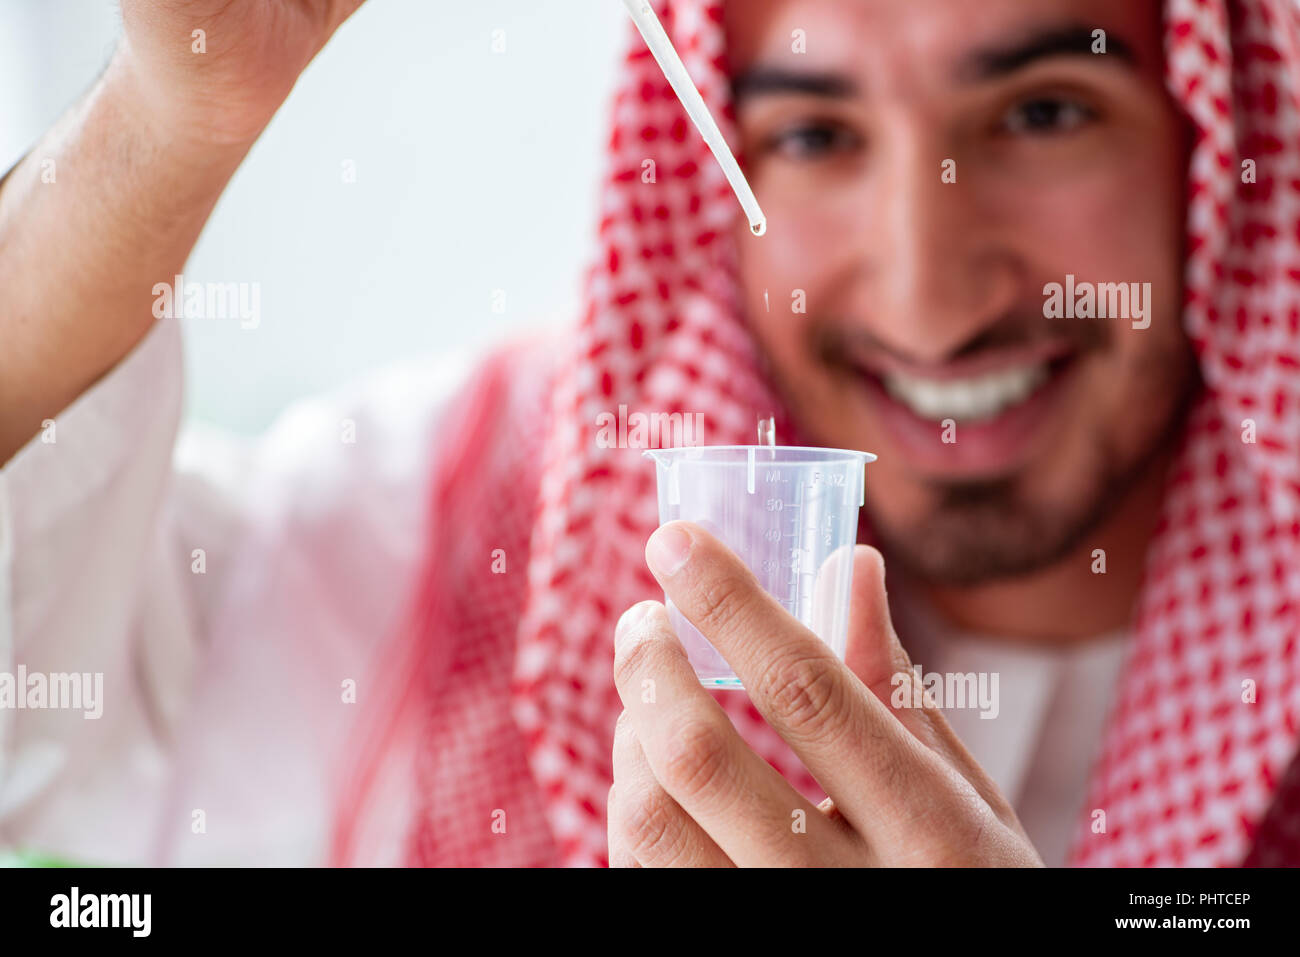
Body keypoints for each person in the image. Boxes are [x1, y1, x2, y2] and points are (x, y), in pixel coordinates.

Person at [0, 0, 1296, 868]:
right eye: (813, 132)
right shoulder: (452, 520)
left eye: (1043, 113)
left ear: (1216, 126)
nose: (928, 297)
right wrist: (172, 122)